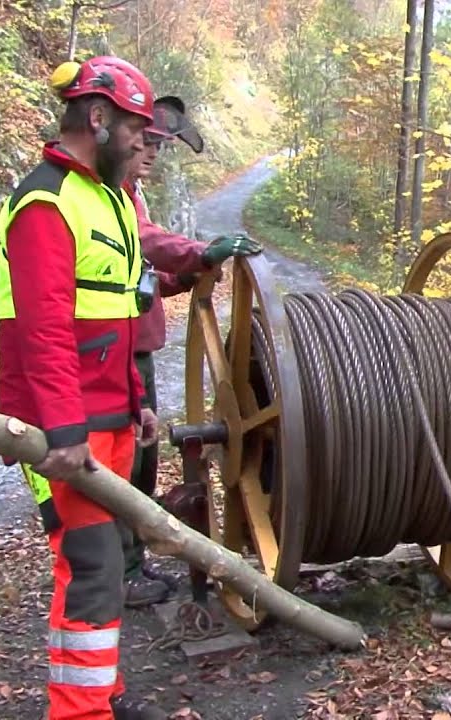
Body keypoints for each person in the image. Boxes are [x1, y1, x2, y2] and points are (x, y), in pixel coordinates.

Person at [0, 55, 168, 720]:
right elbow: (42, 330)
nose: (142, 143)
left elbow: (118, 315)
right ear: (97, 118)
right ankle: (79, 713)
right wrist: (62, 433)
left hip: (111, 417)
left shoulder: (110, 198)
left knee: (109, 570)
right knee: (90, 568)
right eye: (134, 129)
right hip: (65, 429)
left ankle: (102, 696)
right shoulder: (46, 200)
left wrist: (136, 400)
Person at [119, 95, 261, 607]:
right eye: (148, 142)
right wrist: (199, 251)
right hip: (114, 349)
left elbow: (139, 276)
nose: (153, 152)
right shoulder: (108, 194)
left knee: (141, 460)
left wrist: (183, 277)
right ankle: (121, 571)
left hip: (133, 344)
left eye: (161, 144)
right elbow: (142, 239)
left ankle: (129, 561)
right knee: (125, 459)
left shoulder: (129, 191)